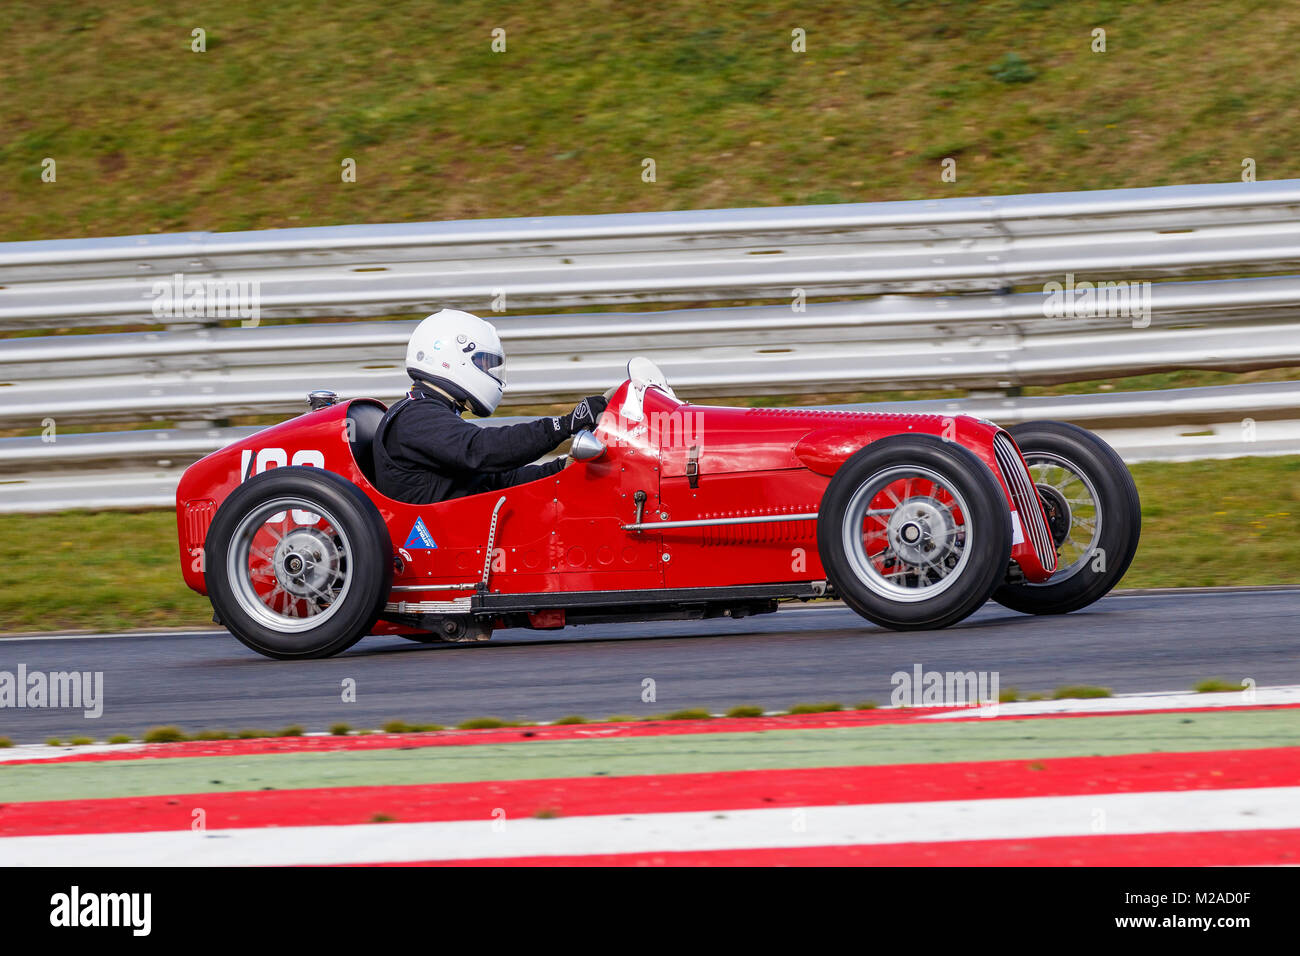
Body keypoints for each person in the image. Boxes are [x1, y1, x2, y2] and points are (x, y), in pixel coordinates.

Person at [372, 309, 608, 504]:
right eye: (483, 363)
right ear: (452, 358)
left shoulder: (430, 413)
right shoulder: (415, 416)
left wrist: (562, 470)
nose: (488, 371)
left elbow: (498, 479)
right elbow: (482, 451)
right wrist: (564, 425)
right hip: (445, 545)